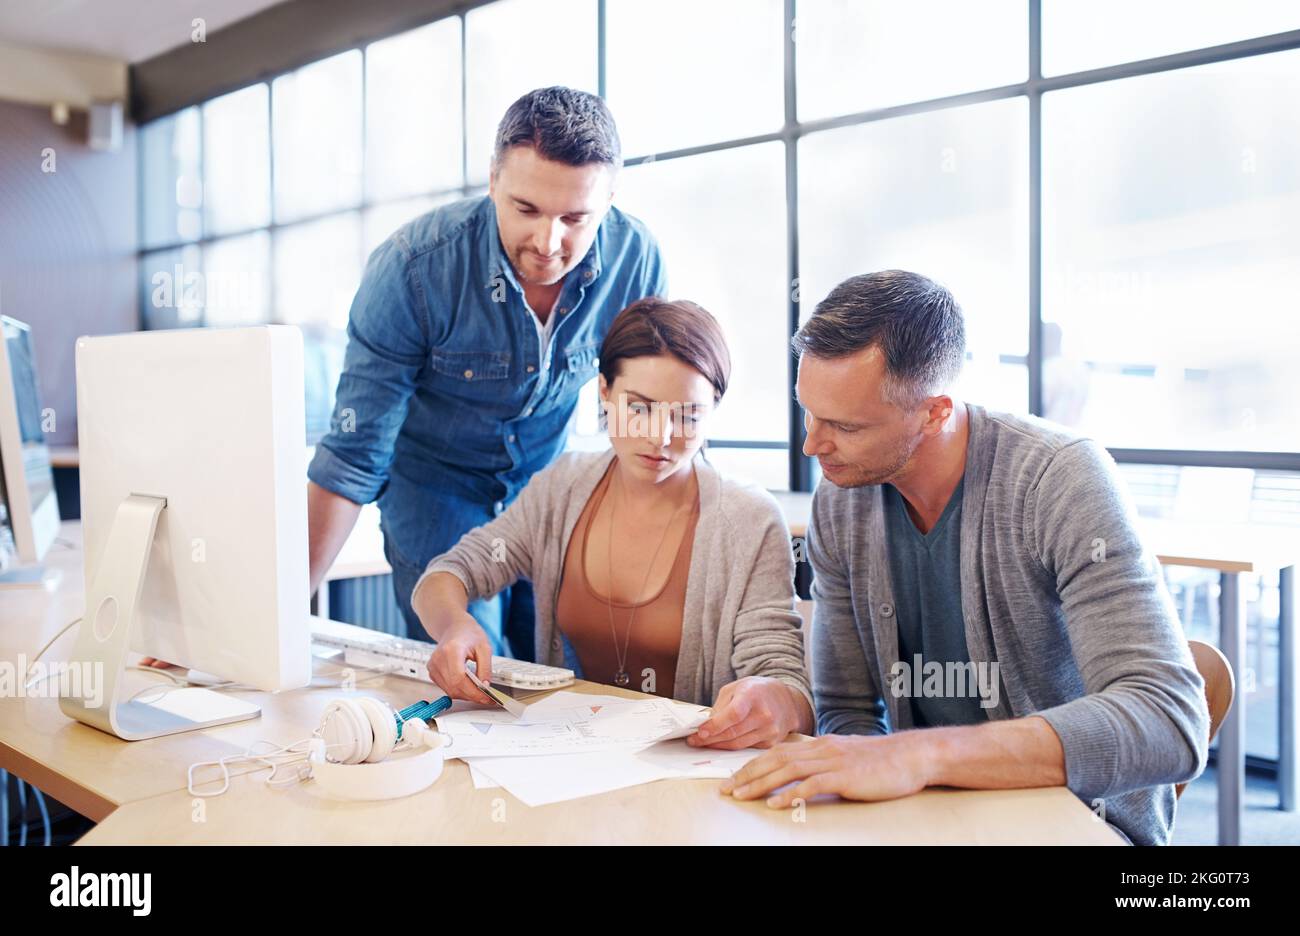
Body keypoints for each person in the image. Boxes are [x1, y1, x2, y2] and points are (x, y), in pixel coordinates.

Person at [722, 270, 1209, 844]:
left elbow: (1169, 722)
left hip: (1075, 822)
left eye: (845, 426)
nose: (812, 444)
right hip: (924, 820)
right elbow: (845, 708)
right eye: (810, 412)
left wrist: (920, 756)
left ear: (934, 411)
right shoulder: (841, 502)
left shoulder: (1060, 478)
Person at [305, 86, 667, 660]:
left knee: (562, 664)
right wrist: (276, 617)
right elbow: (352, 457)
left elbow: (643, 409)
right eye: (526, 210)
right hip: (433, 487)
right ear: (492, 180)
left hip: (547, 483)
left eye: (576, 217)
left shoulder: (636, 259)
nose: (549, 244)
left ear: (611, 197)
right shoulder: (411, 269)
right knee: (475, 668)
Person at [414, 298, 813, 750]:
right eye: (639, 407)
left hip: (690, 779)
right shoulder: (562, 488)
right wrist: (454, 625)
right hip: (571, 765)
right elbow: (450, 572)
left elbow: (786, 682)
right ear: (604, 391)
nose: (659, 437)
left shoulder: (748, 520)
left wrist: (777, 701)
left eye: (687, 415)